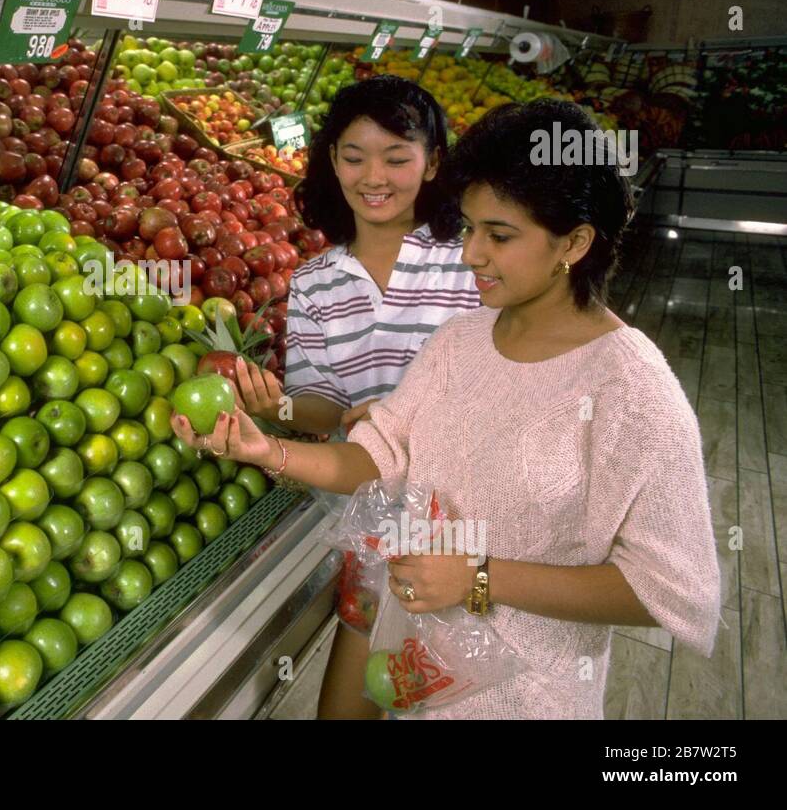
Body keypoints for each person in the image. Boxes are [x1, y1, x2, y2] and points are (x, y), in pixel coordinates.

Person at [180, 99, 722, 719]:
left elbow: (672, 589)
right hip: (418, 678)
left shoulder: (633, 388)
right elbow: (377, 456)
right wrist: (265, 447)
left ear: (574, 242)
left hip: (530, 700)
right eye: (468, 228)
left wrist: (479, 577)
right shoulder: (458, 342)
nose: (470, 254)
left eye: (500, 235)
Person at [230, 76, 479, 718]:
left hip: (473, 519)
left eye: (398, 157)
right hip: (376, 520)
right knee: (352, 702)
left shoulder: (469, 259)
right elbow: (323, 402)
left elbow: (510, 375)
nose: (375, 176)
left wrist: (416, 416)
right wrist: (274, 408)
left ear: (433, 163)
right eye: (353, 156)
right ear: (330, 160)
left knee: (469, 688)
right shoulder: (316, 280)